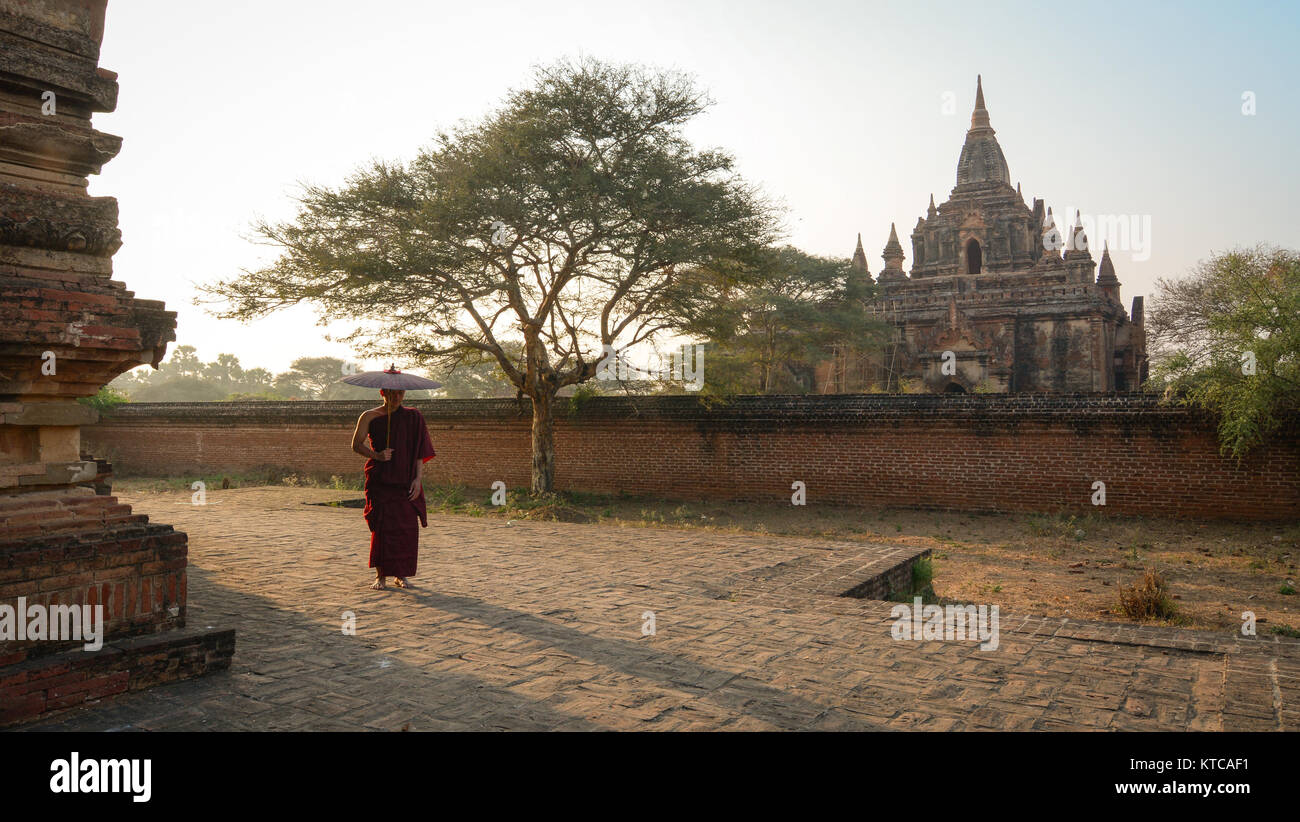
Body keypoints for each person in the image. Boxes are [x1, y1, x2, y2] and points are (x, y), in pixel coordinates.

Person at [350, 388, 436, 590]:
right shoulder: (370, 416)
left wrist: (418, 479)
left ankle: (401, 575)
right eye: (391, 393)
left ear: (404, 394)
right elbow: (356, 444)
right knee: (382, 527)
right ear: (383, 393)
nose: (396, 398)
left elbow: (419, 450)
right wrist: (377, 455)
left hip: (405, 481)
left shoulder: (413, 417)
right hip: (381, 480)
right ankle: (381, 576)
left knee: (406, 528)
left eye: (399, 393)